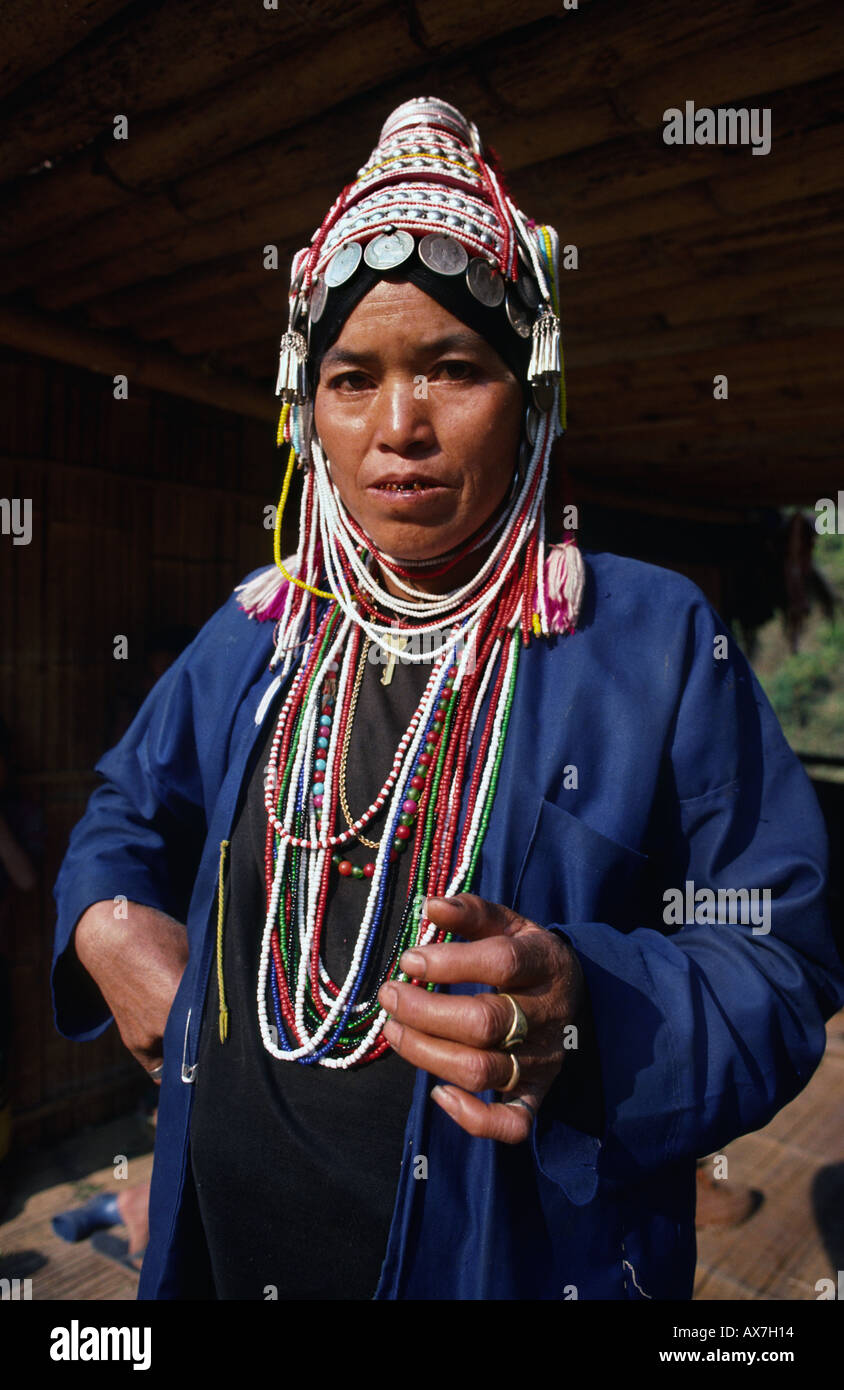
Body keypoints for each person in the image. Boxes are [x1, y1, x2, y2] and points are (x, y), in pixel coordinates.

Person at [51, 96, 844, 1301]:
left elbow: (778, 958)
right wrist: (104, 922)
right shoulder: (258, 631)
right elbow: (122, 810)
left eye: (453, 369)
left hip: (508, 1264)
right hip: (222, 1255)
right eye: (352, 378)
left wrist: (587, 1009)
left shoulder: (649, 639)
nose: (398, 427)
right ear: (305, 410)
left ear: (528, 396)